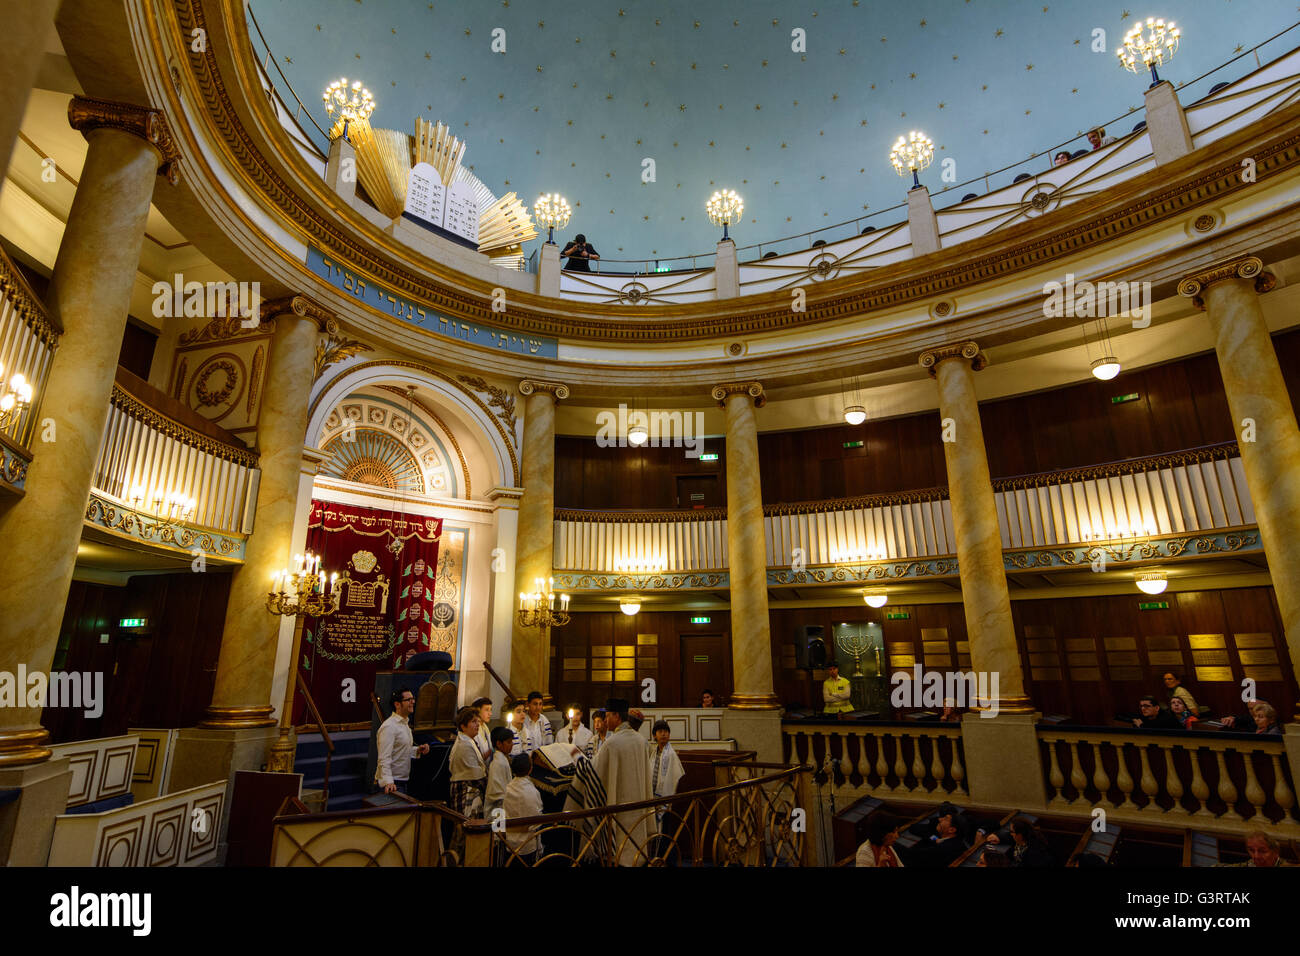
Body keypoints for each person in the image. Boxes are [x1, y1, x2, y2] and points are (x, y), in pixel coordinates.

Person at [593, 697, 654, 866]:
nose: (605, 720)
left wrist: (577, 758)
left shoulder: (612, 743)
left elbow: (595, 772)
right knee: (636, 847)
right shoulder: (642, 741)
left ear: (617, 717)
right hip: (638, 807)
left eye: (608, 716)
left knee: (621, 850)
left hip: (620, 807)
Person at [375, 688, 428, 794]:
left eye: (413, 699)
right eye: (408, 700)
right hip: (392, 784)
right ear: (397, 704)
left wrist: (417, 750)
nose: (413, 702)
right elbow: (384, 757)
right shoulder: (389, 726)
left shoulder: (404, 724)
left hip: (402, 781)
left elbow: (400, 749)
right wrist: (388, 782)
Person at [502, 753, 545, 866]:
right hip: (527, 844)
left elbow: (502, 813)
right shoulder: (532, 792)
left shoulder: (507, 788)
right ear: (530, 769)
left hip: (510, 842)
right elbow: (537, 821)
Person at [448, 706, 486, 817]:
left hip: (471, 789)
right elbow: (475, 775)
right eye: (474, 722)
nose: (478, 724)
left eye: (478, 721)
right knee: (466, 827)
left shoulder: (469, 740)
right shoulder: (464, 745)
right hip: (466, 790)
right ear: (463, 726)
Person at [899, 813, 967, 868]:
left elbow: (912, 856)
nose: (940, 819)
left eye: (945, 819)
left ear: (951, 830)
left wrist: (892, 844)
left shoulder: (943, 849)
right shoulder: (957, 841)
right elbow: (915, 827)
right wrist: (932, 838)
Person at [983, 818, 1053, 867]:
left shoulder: (1034, 852)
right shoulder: (1022, 839)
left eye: (1012, 832)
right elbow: (1009, 836)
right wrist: (998, 837)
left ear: (1020, 834)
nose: (1010, 833)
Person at [484, 726, 515, 818]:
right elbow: (496, 793)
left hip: (503, 806)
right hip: (497, 810)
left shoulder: (503, 759)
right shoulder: (498, 763)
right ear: (499, 744)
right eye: (509, 742)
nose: (512, 744)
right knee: (498, 831)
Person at [1216, 830, 1291, 867]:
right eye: (1251, 850)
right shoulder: (1251, 864)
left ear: (1275, 852)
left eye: (1262, 851)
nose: (1256, 856)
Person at [472, 696, 493, 763]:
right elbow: (475, 759)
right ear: (478, 710)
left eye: (491, 710)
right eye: (487, 710)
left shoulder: (484, 726)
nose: (490, 713)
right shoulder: (473, 729)